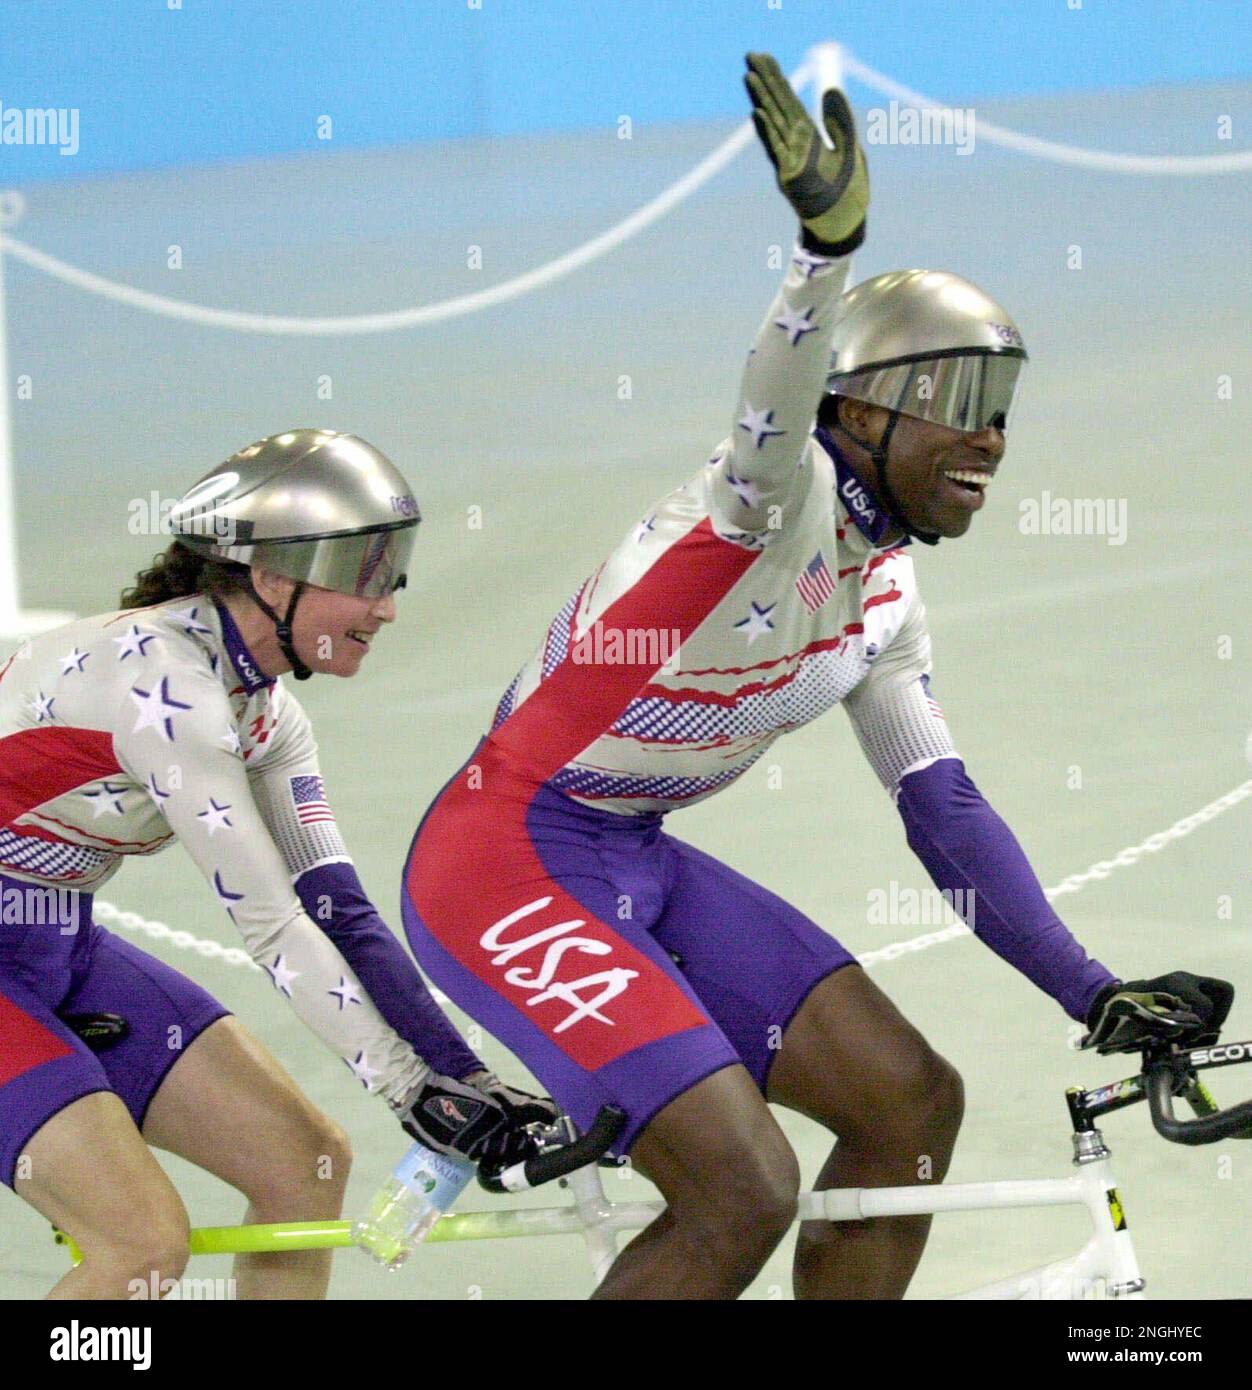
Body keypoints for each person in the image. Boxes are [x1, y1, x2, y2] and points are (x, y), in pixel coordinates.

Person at [399, 56, 1234, 1300]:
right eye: (957, 398)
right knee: (741, 1184)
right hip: (502, 857)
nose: (990, 437)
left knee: (907, 1103)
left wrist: (1093, 989)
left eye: (1003, 406)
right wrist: (822, 251)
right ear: (862, 407)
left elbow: (942, 811)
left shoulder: (885, 596)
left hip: (630, 845)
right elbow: (770, 413)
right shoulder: (757, 511)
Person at [0, 428, 552, 1300]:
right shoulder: (167, 691)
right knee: (139, 1245)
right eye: (364, 575)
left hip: (46, 937)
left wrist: (470, 1081)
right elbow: (271, 924)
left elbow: (339, 913)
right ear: (271, 578)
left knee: (309, 1167)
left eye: (392, 570)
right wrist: (411, 1091)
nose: (388, 607)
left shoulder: (268, 714)